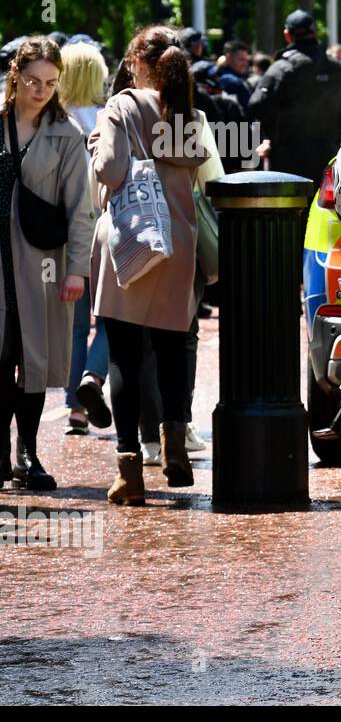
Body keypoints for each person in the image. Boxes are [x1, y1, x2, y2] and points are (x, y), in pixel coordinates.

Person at [89, 25, 216, 505]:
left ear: (139, 64)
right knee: (171, 347)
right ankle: (174, 447)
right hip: (178, 241)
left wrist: (96, 143)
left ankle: (129, 473)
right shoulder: (191, 115)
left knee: (123, 353)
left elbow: (110, 171)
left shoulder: (122, 106)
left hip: (132, 239)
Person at [0, 36, 94, 489]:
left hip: (41, 262)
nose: (41, 91)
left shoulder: (67, 134)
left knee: (32, 359)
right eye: (34, 81)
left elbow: (82, 208)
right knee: (0, 356)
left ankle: (28, 452)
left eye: (51, 83)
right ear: (15, 76)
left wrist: (77, 267)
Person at [58, 41, 113, 436]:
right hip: (104, 227)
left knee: (75, 324)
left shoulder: (55, 122)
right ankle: (93, 377)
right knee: (110, 317)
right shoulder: (106, 118)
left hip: (65, 234)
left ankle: (74, 409)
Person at [247, 10, 341, 188]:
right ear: (315, 32)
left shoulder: (281, 68)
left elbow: (257, 105)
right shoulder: (336, 69)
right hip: (329, 155)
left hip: (289, 158)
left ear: (287, 35)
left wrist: (270, 135)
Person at [215, 40, 252, 111]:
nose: (245, 64)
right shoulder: (233, 82)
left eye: (246, 60)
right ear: (228, 58)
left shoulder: (220, 76)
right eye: (241, 60)